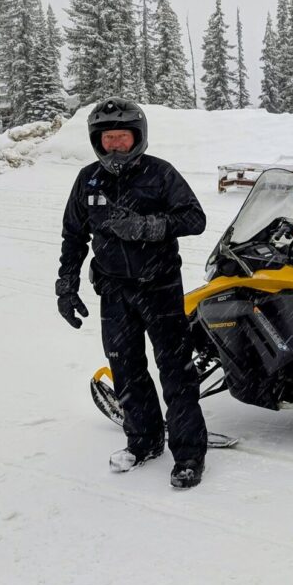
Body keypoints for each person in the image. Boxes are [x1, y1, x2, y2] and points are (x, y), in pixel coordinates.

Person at [56, 97, 208, 489]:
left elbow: (195, 218)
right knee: (126, 369)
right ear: (97, 140)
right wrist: (66, 286)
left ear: (137, 137)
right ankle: (143, 441)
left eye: (121, 137)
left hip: (160, 287)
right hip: (114, 291)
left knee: (176, 370)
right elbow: (73, 235)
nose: (115, 146)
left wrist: (148, 226)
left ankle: (189, 454)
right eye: (107, 139)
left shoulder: (160, 173)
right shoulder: (89, 180)